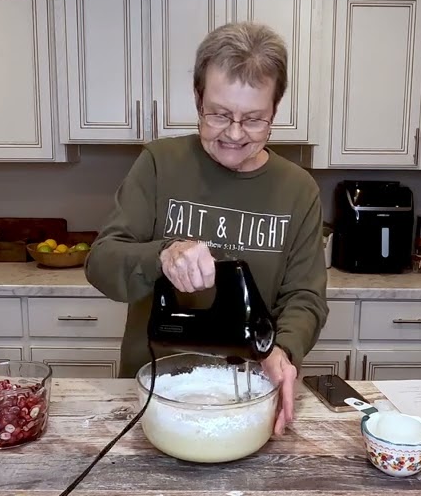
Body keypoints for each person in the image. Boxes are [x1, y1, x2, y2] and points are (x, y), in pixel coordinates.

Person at [84, 21, 328, 435]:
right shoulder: (159, 164)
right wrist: (163, 254)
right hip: (153, 389)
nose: (234, 133)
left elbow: (305, 297)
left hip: (247, 393)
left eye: (253, 119)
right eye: (219, 114)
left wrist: (283, 350)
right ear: (198, 99)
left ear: (275, 110)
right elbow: (102, 263)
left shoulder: (298, 189)